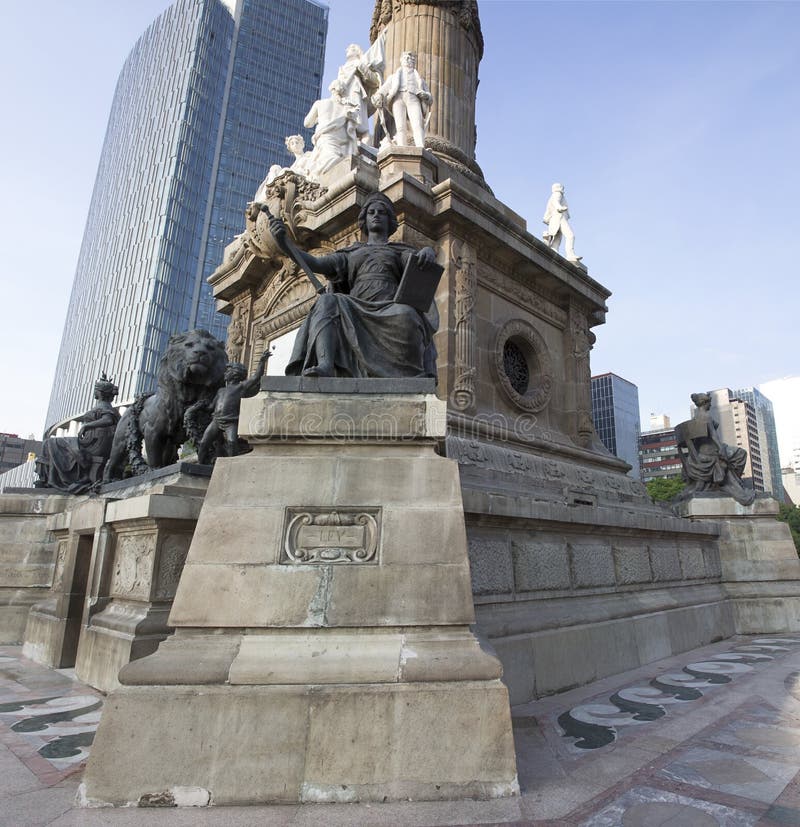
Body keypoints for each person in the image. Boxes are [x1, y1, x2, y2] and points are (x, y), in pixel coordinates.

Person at [267, 191, 439, 379]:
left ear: (390, 220)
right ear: (364, 220)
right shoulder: (351, 253)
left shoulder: (398, 251)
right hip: (355, 307)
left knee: (407, 315)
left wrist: (428, 252)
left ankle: (410, 374)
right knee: (327, 302)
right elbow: (316, 264)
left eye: (381, 212)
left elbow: (417, 265)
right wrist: (286, 245)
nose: (376, 215)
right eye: (371, 212)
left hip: (389, 307)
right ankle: (325, 364)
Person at [36, 374, 120, 493]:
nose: (94, 392)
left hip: (94, 444)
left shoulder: (106, 407)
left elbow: (108, 420)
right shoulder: (105, 406)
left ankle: (48, 479)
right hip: (91, 441)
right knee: (51, 444)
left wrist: (87, 425)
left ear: (100, 393)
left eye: (95, 390)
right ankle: (48, 478)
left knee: (50, 443)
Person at [675, 392, 755, 506]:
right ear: (705, 403)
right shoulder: (706, 417)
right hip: (710, 451)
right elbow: (713, 436)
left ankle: (730, 482)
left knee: (733, 452)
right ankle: (732, 483)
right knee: (741, 454)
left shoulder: (695, 418)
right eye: (709, 403)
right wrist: (721, 448)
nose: (710, 405)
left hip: (698, 454)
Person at [197, 350, 270, 465]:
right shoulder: (221, 390)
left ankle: (231, 465)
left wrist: (261, 361)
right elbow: (211, 407)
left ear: (235, 374)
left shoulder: (241, 387)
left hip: (231, 421)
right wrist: (201, 406)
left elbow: (256, 377)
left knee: (232, 442)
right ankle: (200, 464)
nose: (225, 374)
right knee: (204, 442)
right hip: (216, 420)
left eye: (228, 372)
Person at [303, 80, 360, 179]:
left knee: (333, 160)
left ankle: (317, 178)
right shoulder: (347, 108)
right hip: (340, 142)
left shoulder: (320, 104)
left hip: (326, 137)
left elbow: (307, 123)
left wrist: (319, 118)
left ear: (331, 89)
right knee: (333, 159)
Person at [372, 51, 432, 148]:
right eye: (406, 58)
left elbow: (430, 98)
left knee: (417, 124)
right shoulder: (394, 76)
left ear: (414, 62)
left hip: (413, 99)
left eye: (411, 59)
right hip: (398, 100)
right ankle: (401, 147)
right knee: (400, 126)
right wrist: (378, 95)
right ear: (401, 60)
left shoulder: (420, 80)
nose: (408, 60)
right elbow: (384, 88)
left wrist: (426, 95)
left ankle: (421, 147)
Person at [543, 183, 581, 262]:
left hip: (556, 218)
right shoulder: (557, 193)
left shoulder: (554, 195)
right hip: (559, 217)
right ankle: (570, 254)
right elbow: (556, 202)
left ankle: (553, 250)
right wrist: (560, 208)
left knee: (557, 239)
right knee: (570, 236)